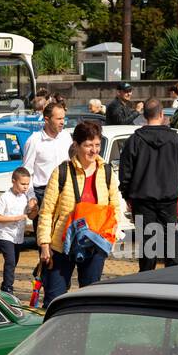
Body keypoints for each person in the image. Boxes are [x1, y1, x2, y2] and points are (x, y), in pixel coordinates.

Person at [37, 120, 122, 306]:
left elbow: (114, 208)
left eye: (97, 145)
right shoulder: (61, 172)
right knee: (54, 299)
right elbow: (46, 211)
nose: (94, 150)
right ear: (76, 145)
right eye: (88, 145)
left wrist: (110, 237)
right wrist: (44, 244)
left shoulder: (106, 172)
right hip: (61, 245)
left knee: (89, 300)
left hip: (95, 244)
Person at [119, 99, 178, 271]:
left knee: (147, 243)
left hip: (142, 198)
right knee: (170, 241)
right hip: (167, 198)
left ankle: (146, 277)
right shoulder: (174, 139)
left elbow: (125, 172)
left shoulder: (134, 140)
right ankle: (172, 277)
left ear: (144, 116)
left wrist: (127, 194)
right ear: (161, 115)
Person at [0, 167, 37, 294]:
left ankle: (5, 284)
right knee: (10, 261)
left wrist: (34, 210)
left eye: (27, 184)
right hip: (5, 235)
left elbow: (30, 216)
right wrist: (15, 218)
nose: (25, 187)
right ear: (13, 181)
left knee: (14, 261)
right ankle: (8, 288)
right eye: (22, 184)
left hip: (18, 236)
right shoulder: (5, 197)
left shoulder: (25, 197)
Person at [22, 101, 71, 208]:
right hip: (42, 193)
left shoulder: (66, 137)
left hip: (65, 191)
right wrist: (31, 197)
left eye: (63, 118)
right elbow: (27, 171)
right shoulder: (34, 141)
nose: (62, 122)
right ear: (47, 120)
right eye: (58, 119)